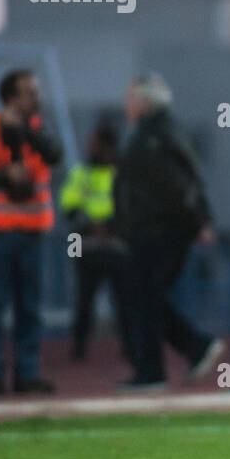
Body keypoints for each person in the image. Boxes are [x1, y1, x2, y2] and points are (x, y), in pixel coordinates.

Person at [115, 73, 224, 390]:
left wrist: (198, 221)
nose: (127, 104)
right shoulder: (162, 131)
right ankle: (193, 347)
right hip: (156, 230)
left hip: (159, 232)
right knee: (146, 297)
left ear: (145, 101)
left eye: (131, 97)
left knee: (144, 297)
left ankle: (154, 371)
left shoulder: (156, 135)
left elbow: (178, 186)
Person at [0, 69, 63, 395]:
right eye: (29, 92)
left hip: (31, 232)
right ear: (11, 98)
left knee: (29, 307)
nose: (37, 97)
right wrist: (4, 175)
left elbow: (54, 153)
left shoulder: (39, 127)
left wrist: (24, 131)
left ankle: (26, 373)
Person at [59, 122, 129, 360]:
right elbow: (68, 204)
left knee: (125, 302)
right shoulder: (82, 173)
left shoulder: (123, 175)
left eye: (94, 143)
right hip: (88, 248)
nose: (90, 147)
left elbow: (132, 208)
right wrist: (90, 226)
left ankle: (130, 350)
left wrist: (110, 227)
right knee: (84, 302)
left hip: (116, 248)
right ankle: (78, 350)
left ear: (106, 146)